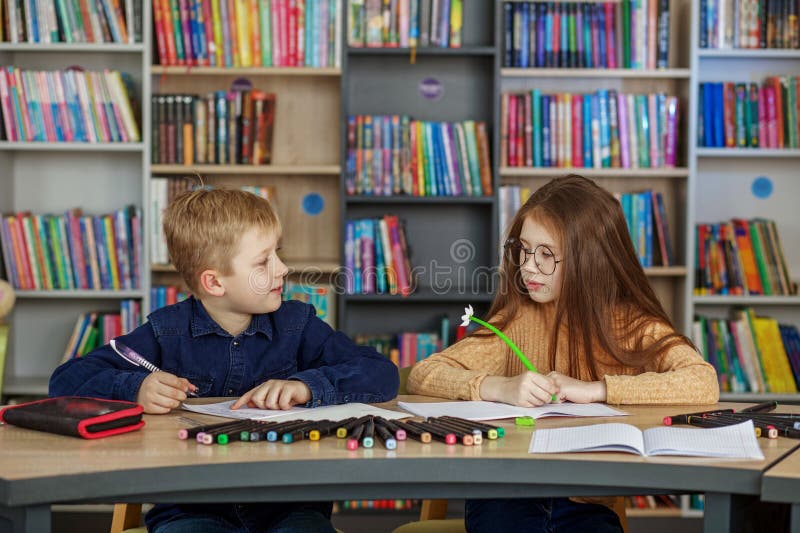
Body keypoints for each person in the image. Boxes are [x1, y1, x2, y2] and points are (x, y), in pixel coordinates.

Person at [50, 188, 399, 533]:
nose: (283, 268)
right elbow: (64, 382)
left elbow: (380, 372)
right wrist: (135, 387)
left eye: (277, 254)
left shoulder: (298, 324)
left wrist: (306, 386)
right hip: (190, 508)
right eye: (264, 261)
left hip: (289, 506)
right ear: (215, 282)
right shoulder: (165, 332)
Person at [407, 174, 718, 533]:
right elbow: (424, 373)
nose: (527, 267)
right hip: (505, 494)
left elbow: (702, 381)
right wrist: (498, 387)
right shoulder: (518, 320)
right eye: (523, 250)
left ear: (591, 260)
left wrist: (596, 389)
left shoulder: (631, 324)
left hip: (583, 501)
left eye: (546, 255)